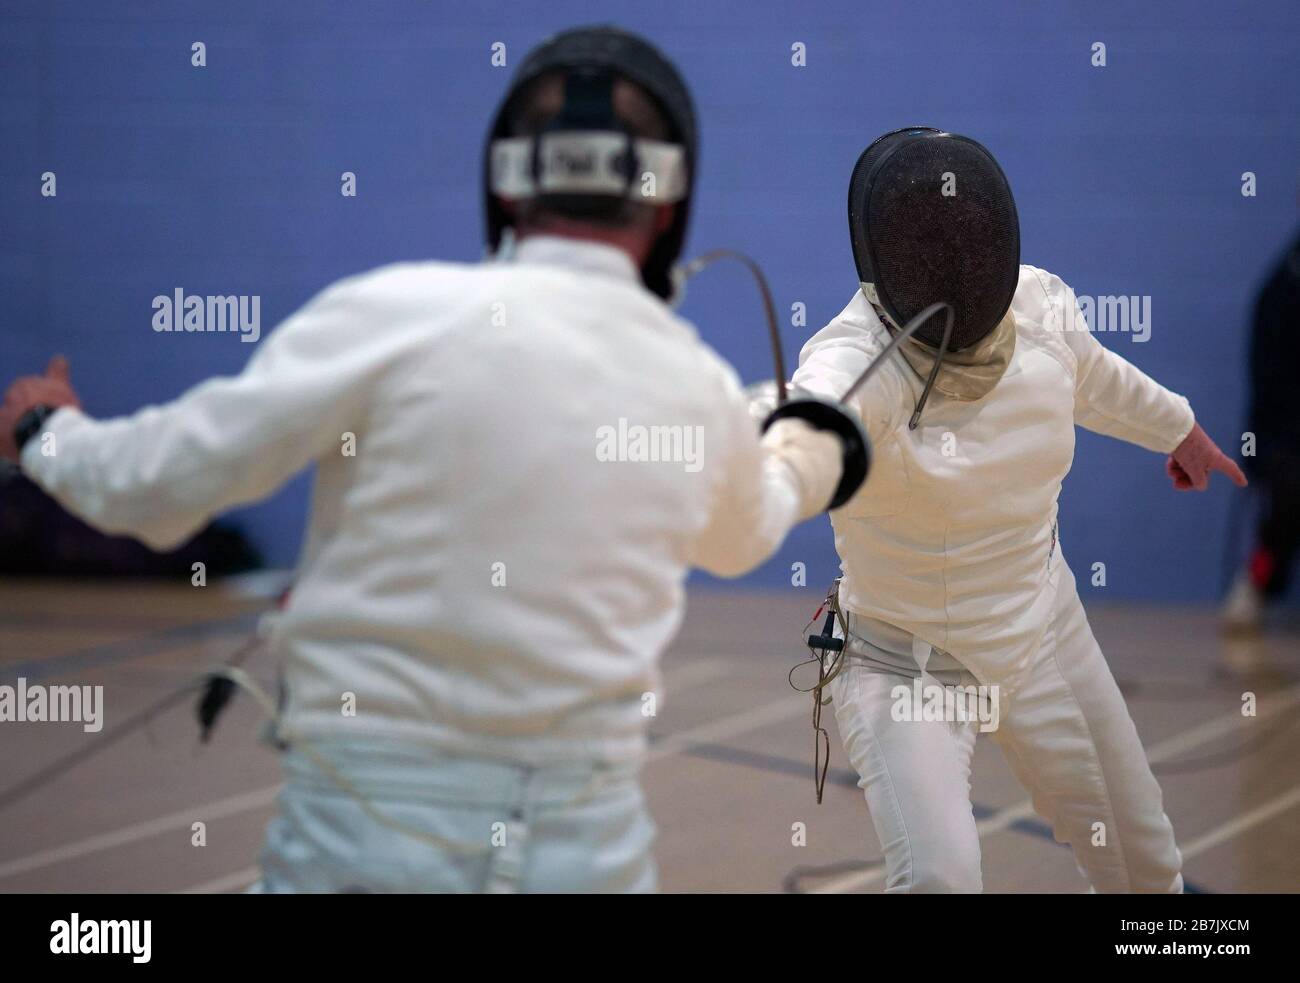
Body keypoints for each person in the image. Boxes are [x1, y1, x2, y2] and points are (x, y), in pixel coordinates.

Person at [0, 26, 865, 893]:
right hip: (586, 855)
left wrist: (47, 431)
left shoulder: (390, 314)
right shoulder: (697, 385)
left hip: (364, 845)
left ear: (505, 182)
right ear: (670, 205)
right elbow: (742, 533)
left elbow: (156, 485)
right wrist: (816, 443)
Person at [790, 126, 1246, 893]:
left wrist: (1179, 428)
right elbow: (818, 418)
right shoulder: (858, 361)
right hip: (906, 664)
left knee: (1144, 869)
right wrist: (775, 450)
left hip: (1042, 632)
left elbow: (1096, 378)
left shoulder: (1039, 307)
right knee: (940, 877)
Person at [1222, 228, 1300, 631]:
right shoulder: (1285, 281)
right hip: (1281, 436)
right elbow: (1267, 372)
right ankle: (1255, 582)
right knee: (1287, 502)